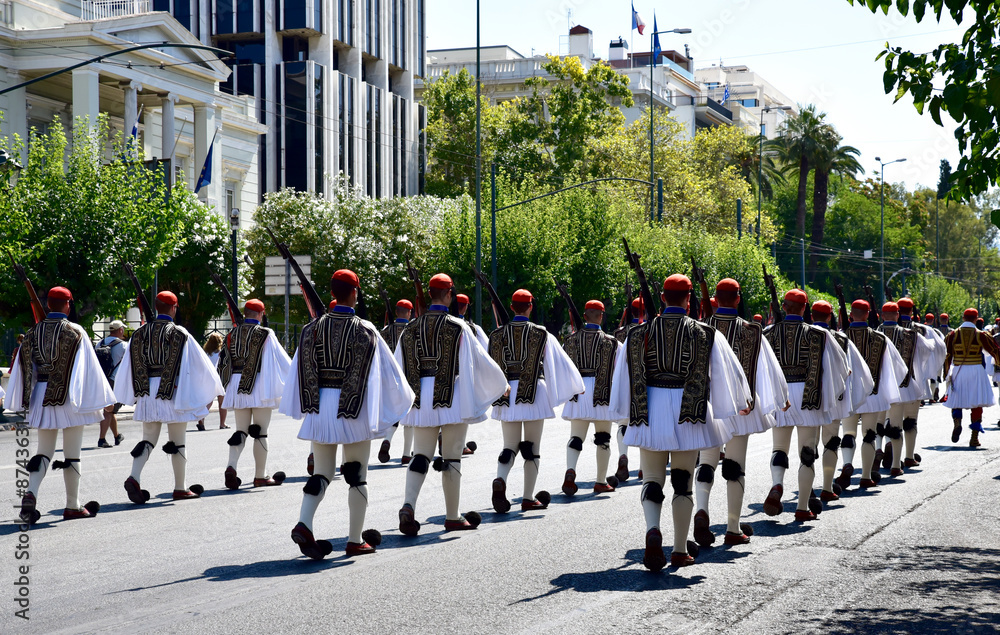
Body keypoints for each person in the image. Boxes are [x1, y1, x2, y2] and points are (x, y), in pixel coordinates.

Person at [609, 274, 751, 571]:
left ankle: (652, 529)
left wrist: (624, 414)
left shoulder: (636, 334)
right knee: (683, 482)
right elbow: (728, 375)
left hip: (649, 411)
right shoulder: (706, 333)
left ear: (663, 297)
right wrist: (737, 405)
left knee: (652, 479)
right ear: (690, 299)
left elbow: (622, 379)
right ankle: (678, 549)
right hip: (691, 412)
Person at [282, 270, 414, 558]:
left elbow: (297, 374)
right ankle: (355, 540)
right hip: (352, 409)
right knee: (356, 474)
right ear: (354, 292)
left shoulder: (311, 328)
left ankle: (304, 523)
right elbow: (385, 374)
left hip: (319, 408)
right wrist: (402, 402)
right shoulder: (365, 329)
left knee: (322, 472)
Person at [396, 273, 507, 535]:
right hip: (451, 396)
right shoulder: (458, 327)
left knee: (420, 454)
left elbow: (398, 366)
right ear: (448, 295)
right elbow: (477, 361)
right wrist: (500, 384)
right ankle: (452, 516)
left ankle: (408, 505)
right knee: (453, 455)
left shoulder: (409, 329)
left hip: (420, 399)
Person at [9, 287, 116, 524]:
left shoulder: (33, 332)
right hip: (68, 397)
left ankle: (31, 493)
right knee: (72, 453)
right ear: (67, 305)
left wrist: (25, 398)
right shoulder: (75, 331)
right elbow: (88, 369)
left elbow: (24, 369)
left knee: (44, 451)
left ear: (48, 305)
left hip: (41, 396)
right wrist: (102, 399)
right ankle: (72, 505)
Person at [695, 279, 788, 547]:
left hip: (707, 405)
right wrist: (781, 398)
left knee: (707, 460)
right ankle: (733, 527)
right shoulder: (752, 330)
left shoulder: (698, 328)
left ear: (715, 298)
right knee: (735, 465)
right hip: (740, 406)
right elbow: (769, 369)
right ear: (737, 299)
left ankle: (702, 509)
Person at [116, 291, 224, 504]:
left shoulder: (139, 333)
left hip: (147, 391)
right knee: (178, 440)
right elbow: (199, 363)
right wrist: (209, 389)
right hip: (172, 392)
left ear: (156, 307)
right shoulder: (179, 332)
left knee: (148, 439)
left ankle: (134, 477)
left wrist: (130, 393)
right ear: (174, 308)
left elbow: (128, 366)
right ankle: (180, 487)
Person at [489, 288, 584, 514]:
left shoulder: (496, 334)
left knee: (508, 447)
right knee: (532, 449)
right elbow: (557, 364)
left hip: (507, 393)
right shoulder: (541, 333)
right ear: (530, 307)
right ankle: (528, 497)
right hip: (533, 393)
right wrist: (573, 386)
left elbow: (491, 367)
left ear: (512, 307)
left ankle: (500, 479)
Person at [762, 289, 849, 522]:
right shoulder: (819, 334)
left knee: (779, 448)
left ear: (784, 306)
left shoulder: (768, 333)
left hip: (781, 396)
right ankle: (802, 507)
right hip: (808, 396)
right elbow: (841, 368)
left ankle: (777, 485)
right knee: (806, 454)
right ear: (804, 308)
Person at [220, 299, 293, 490]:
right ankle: (260, 475)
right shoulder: (265, 333)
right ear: (261, 314)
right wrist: (295, 376)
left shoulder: (232, 333)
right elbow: (281, 359)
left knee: (240, 430)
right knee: (260, 432)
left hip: (237, 384)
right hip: (258, 384)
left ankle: (231, 466)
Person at [835, 300, 906, 491]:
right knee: (869, 435)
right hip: (873, 396)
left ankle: (847, 464)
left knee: (848, 433)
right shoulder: (881, 338)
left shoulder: (840, 337)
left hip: (849, 395)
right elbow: (899, 369)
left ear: (851, 314)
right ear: (868, 314)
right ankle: (865, 476)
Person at [809, 301, 874, 503]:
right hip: (833, 400)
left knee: (807, 446)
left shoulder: (803, 333)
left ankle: (806, 488)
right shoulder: (842, 339)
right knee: (830, 443)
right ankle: (827, 488)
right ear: (830, 317)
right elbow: (854, 372)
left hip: (805, 399)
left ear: (811, 316)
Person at [561, 300, 620, 497]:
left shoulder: (569, 340)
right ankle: (601, 481)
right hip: (601, 393)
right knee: (603, 438)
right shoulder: (612, 343)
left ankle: (570, 470)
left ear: (585, 316)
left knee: (576, 437)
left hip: (579, 392)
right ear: (601, 316)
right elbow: (621, 372)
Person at [888, 297, 946, 470]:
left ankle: (894, 464)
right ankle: (908, 457)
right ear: (911, 311)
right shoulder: (919, 330)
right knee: (910, 421)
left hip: (891, 384)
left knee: (894, 424)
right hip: (913, 382)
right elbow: (934, 348)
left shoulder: (879, 330)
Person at [943, 308, 1000, 447]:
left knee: (957, 400)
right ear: (976, 319)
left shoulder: (952, 334)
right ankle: (974, 438)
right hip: (976, 370)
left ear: (963, 318)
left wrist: (946, 373)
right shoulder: (981, 334)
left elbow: (947, 355)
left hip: (958, 369)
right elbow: (993, 351)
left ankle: (957, 422)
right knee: (977, 402)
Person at [378, 299, 414, 464]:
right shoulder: (413, 330)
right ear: (408, 312)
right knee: (410, 417)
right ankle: (406, 454)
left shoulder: (385, 331)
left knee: (395, 415)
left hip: (390, 378)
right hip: (409, 377)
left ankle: (387, 440)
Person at [613, 297, 644, 483]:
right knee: (643, 423)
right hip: (645, 383)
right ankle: (643, 466)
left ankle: (623, 456)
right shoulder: (652, 329)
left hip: (624, 383)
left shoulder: (618, 333)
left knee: (623, 424)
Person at [97, 320, 127, 448]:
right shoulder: (123, 346)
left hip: (101, 380)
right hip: (114, 381)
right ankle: (102, 439)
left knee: (110, 409)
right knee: (109, 411)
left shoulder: (100, 343)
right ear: (120, 330)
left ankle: (117, 436)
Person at [197, 332, 229, 431]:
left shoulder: (205, 353)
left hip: (205, 378)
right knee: (222, 401)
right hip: (218, 378)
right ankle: (222, 423)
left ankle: (201, 418)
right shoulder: (219, 353)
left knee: (208, 400)